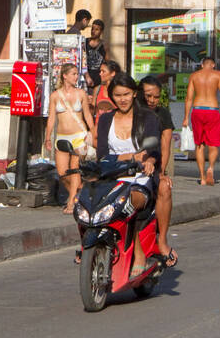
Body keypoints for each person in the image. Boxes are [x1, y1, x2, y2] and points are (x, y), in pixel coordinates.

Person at [96, 71, 164, 276]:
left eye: (126, 94)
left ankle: (140, 254)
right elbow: (102, 156)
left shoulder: (148, 117)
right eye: (117, 95)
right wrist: (129, 157)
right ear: (112, 97)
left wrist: (149, 161)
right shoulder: (105, 119)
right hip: (111, 179)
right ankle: (88, 246)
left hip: (139, 180)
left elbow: (154, 151)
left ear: (134, 93)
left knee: (128, 202)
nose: (122, 99)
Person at [45, 63, 96, 215]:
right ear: (64, 76)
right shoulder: (55, 96)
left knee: (74, 169)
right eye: (73, 74)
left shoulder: (81, 94)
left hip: (78, 136)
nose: (76, 77)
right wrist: (47, 137)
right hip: (61, 137)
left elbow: (87, 114)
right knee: (62, 173)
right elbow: (51, 118)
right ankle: (79, 191)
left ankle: (71, 201)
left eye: (77, 74)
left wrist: (92, 131)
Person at [139, 75, 178, 267]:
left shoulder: (162, 115)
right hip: (127, 165)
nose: (152, 101)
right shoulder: (132, 110)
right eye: (148, 96)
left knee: (164, 188)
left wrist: (162, 171)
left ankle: (162, 240)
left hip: (154, 165)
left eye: (156, 97)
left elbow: (165, 144)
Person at [184, 55, 220, 186]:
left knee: (199, 146)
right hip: (212, 110)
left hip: (197, 110)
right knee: (213, 145)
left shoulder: (194, 76)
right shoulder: (218, 75)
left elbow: (189, 98)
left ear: (202, 65)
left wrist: (185, 118)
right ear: (213, 65)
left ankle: (201, 177)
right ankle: (211, 168)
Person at [85, 19, 107, 89]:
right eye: (92, 29)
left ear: (101, 31)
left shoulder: (104, 45)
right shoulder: (85, 42)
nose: (93, 31)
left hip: (98, 78)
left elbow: (107, 63)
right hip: (85, 76)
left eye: (96, 29)